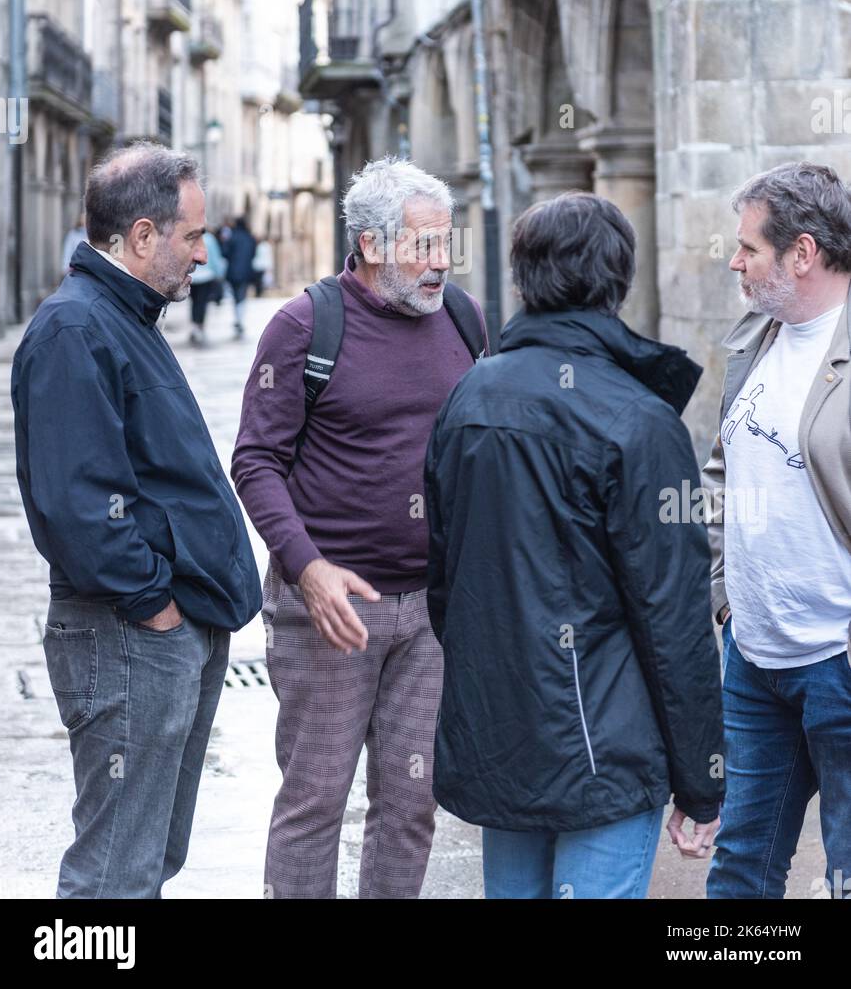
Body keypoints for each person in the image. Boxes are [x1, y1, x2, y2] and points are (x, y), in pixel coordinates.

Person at [425, 192, 724, 900]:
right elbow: (675, 619)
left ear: (524, 276)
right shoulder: (638, 418)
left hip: (504, 732)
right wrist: (702, 779)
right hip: (604, 746)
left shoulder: (470, 395)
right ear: (617, 278)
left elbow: (444, 577)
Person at [232, 156, 489, 899]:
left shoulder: (465, 320)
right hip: (330, 611)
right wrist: (308, 569)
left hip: (431, 612)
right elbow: (255, 461)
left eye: (446, 244)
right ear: (371, 245)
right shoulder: (304, 327)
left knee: (412, 805)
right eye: (422, 245)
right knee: (314, 803)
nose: (440, 262)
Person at [11, 142, 262, 899]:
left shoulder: (124, 316)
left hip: (164, 630)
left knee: (148, 860)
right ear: (144, 236)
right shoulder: (75, 329)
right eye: (192, 235)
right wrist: (156, 607)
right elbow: (79, 505)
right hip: (129, 633)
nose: (203, 252)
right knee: (113, 874)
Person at [703, 162, 851, 901]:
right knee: (739, 869)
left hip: (838, 663)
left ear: (802, 252)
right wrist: (726, 597)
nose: (734, 261)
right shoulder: (756, 339)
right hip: (754, 658)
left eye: (748, 248)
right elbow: (719, 472)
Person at [189, 228, 227, 346]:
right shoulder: (210, 239)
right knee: (202, 302)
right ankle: (199, 325)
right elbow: (215, 258)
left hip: (192, 276)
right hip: (206, 276)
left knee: (194, 302)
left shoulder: (191, 237)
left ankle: (195, 325)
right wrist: (219, 274)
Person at [224, 215, 257, 339]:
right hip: (246, 271)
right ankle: (240, 319)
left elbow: (225, 252)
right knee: (242, 295)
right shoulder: (250, 238)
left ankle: (238, 318)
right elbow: (253, 253)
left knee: (235, 296)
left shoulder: (232, 237)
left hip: (233, 271)